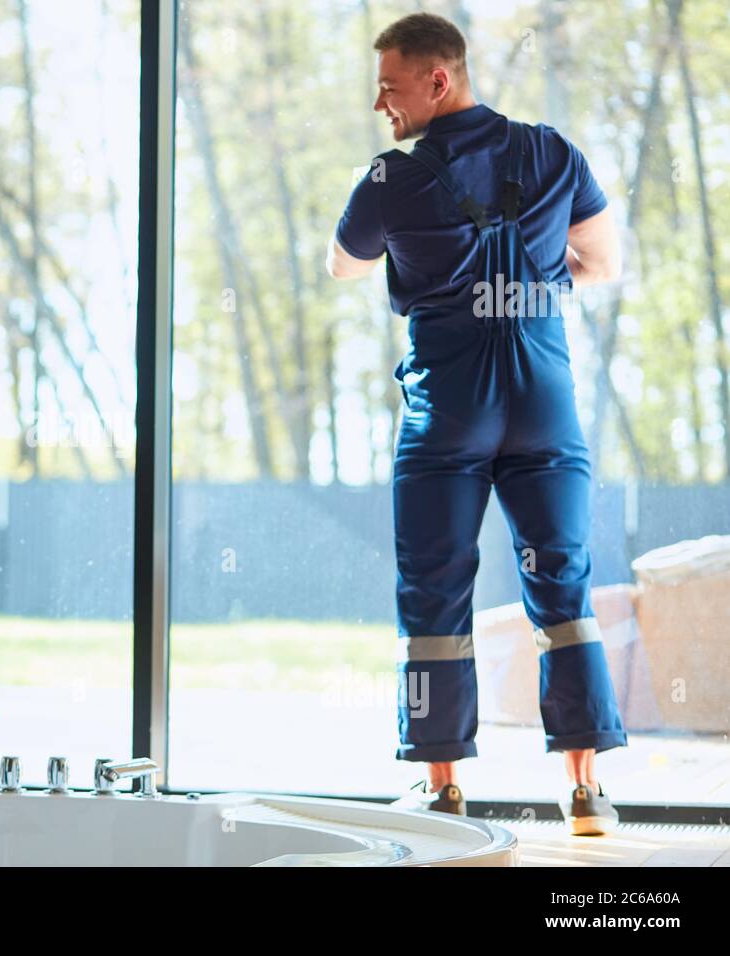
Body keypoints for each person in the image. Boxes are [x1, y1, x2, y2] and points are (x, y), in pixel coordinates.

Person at [326, 13, 626, 835]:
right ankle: (585, 790)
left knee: (434, 590)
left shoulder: (390, 178)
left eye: (389, 86)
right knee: (563, 586)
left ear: (437, 80)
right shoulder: (553, 153)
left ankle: (444, 787)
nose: (380, 104)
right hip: (542, 401)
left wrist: (419, 255)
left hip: (449, 407)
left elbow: (342, 262)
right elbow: (602, 263)